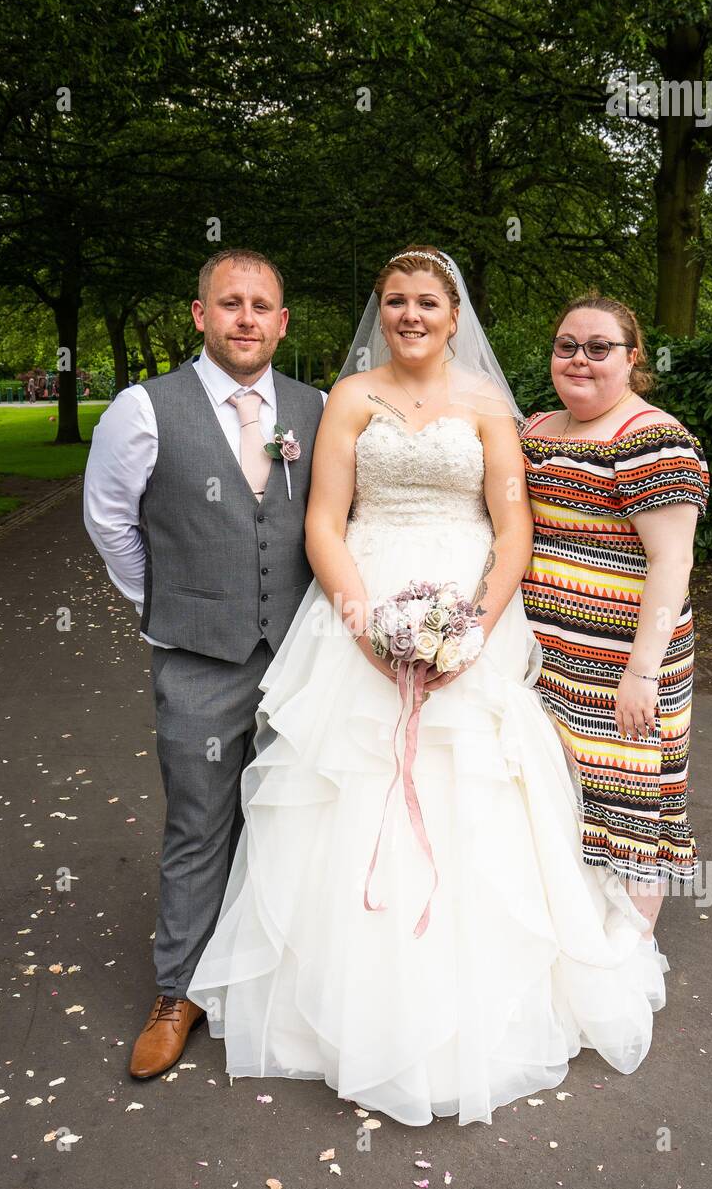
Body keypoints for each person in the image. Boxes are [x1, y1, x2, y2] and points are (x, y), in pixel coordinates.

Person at [185, 245, 669, 1128]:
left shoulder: (491, 407)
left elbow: (513, 526)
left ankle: (479, 1004)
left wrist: (476, 626)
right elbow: (326, 520)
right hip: (361, 605)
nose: (411, 315)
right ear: (383, 311)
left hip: (468, 603)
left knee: (478, 790)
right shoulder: (349, 401)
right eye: (397, 300)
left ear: (455, 317)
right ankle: (340, 1009)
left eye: (428, 303)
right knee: (345, 790)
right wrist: (364, 620)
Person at [83, 248, 326, 1078]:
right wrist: (172, 605)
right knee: (198, 822)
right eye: (230, 303)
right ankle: (178, 989)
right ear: (201, 314)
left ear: (283, 323)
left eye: (262, 305)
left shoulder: (315, 408)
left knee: (294, 817)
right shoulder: (143, 409)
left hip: (301, 655)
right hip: (197, 657)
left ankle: (275, 983)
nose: (247, 318)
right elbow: (111, 522)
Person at [520, 295, 709, 940]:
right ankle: (565, 954)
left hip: (623, 666)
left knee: (631, 808)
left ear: (632, 359)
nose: (580, 359)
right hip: (542, 660)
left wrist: (642, 673)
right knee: (559, 801)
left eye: (599, 348)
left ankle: (622, 964)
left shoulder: (655, 439)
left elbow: (671, 563)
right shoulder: (537, 429)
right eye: (567, 345)